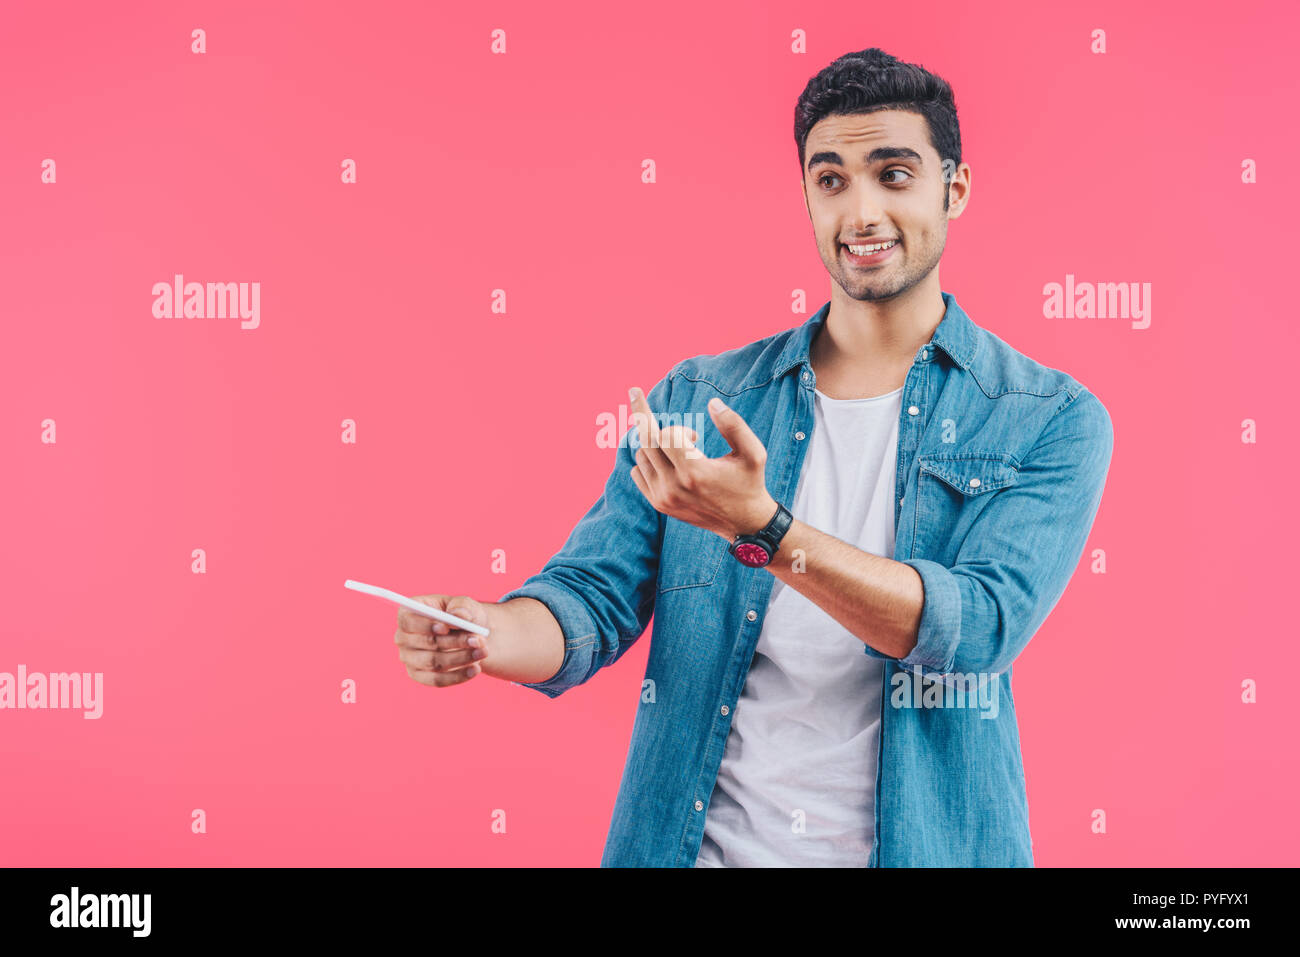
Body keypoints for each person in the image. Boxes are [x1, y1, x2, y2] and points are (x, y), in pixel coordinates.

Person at [393, 47, 1114, 867]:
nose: (861, 212)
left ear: (955, 189)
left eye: (894, 174)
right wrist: (487, 631)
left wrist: (763, 528)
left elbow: (973, 628)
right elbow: (590, 603)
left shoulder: (1049, 420)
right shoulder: (698, 398)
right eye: (831, 179)